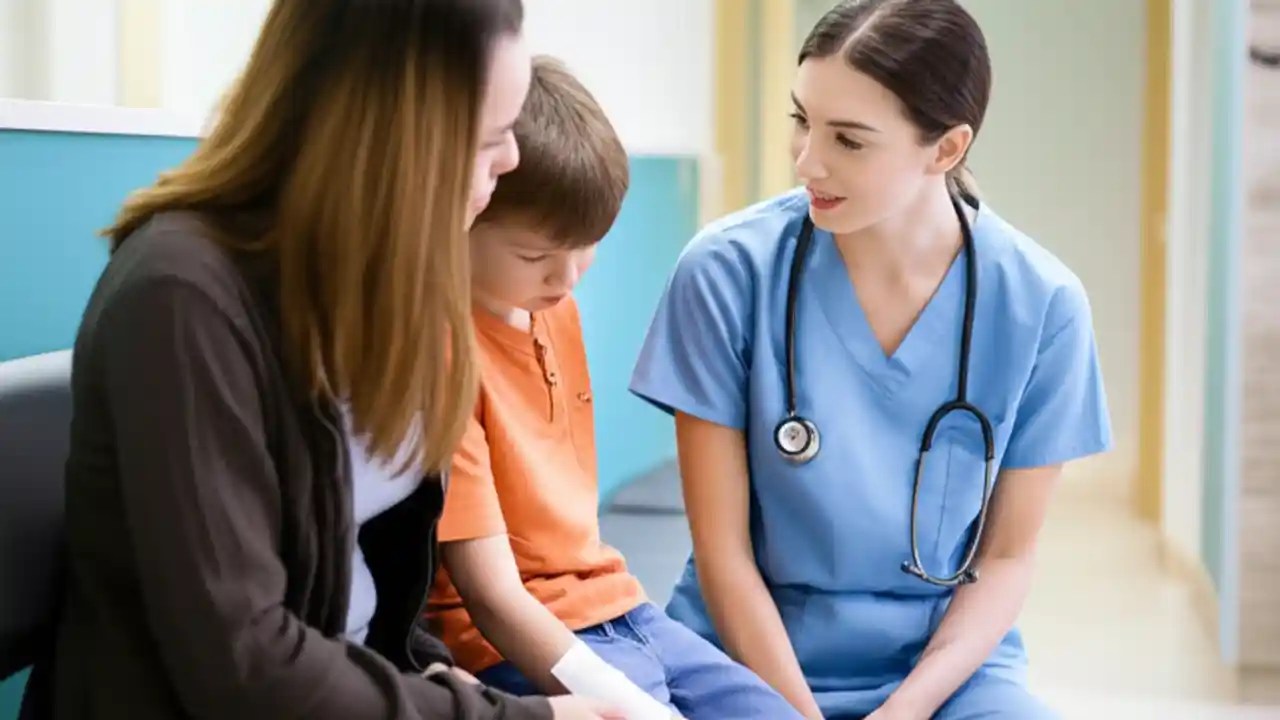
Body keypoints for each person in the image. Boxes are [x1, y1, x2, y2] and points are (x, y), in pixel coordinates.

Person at [29, 2, 623, 718]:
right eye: (489, 139)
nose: (511, 161)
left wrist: (439, 678)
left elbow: (368, 575)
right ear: (390, 137)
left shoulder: (373, 284)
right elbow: (241, 665)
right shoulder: (180, 297)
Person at [628, 1, 1113, 718]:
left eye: (849, 141)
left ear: (945, 149)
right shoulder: (727, 272)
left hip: (940, 667)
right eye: (802, 122)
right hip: (746, 653)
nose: (807, 161)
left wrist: (907, 709)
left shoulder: (1041, 306)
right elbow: (723, 554)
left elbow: (1006, 559)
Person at [425, 55, 806, 720]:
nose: (568, 278)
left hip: (620, 605)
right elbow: (491, 597)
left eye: (587, 247)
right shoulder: (441, 352)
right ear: (463, 215)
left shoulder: (555, 309)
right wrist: (622, 701)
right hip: (523, 639)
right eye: (536, 256)